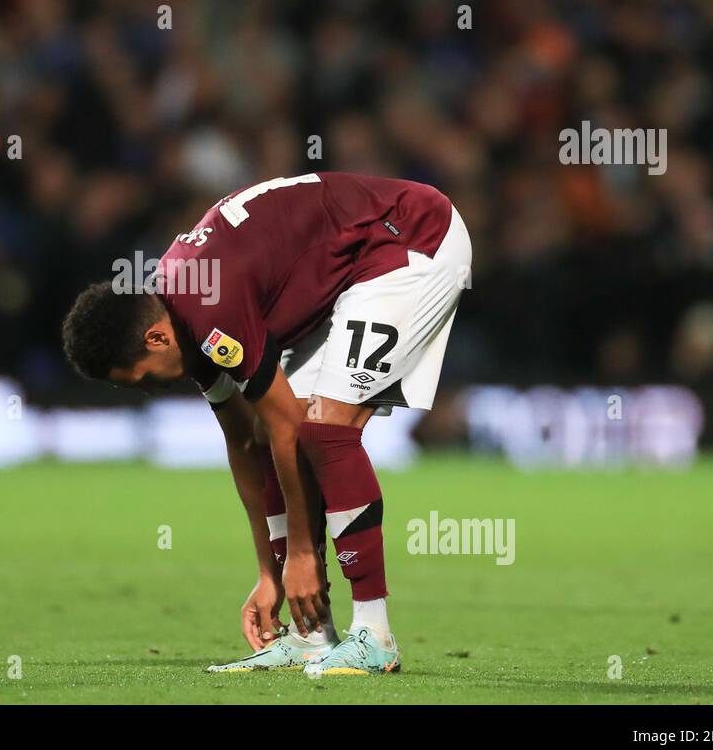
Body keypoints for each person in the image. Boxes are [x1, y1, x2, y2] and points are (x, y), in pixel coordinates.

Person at [62, 172, 472, 674]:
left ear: (155, 340)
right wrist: (269, 572)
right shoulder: (185, 317)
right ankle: (312, 636)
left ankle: (375, 636)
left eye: (141, 380)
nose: (149, 389)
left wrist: (300, 553)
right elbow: (244, 439)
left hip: (407, 236)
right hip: (349, 268)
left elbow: (287, 426)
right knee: (271, 431)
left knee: (324, 429)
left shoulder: (207, 308)